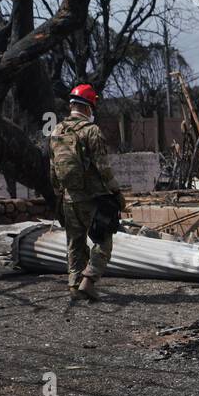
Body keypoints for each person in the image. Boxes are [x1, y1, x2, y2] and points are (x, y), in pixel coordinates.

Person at [48, 84, 123, 300]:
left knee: (75, 241)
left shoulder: (56, 131)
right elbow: (103, 167)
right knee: (104, 240)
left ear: (72, 105)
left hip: (68, 197)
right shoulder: (91, 130)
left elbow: (53, 169)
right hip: (92, 198)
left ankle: (74, 284)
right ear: (89, 107)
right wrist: (116, 192)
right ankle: (89, 280)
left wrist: (60, 194)